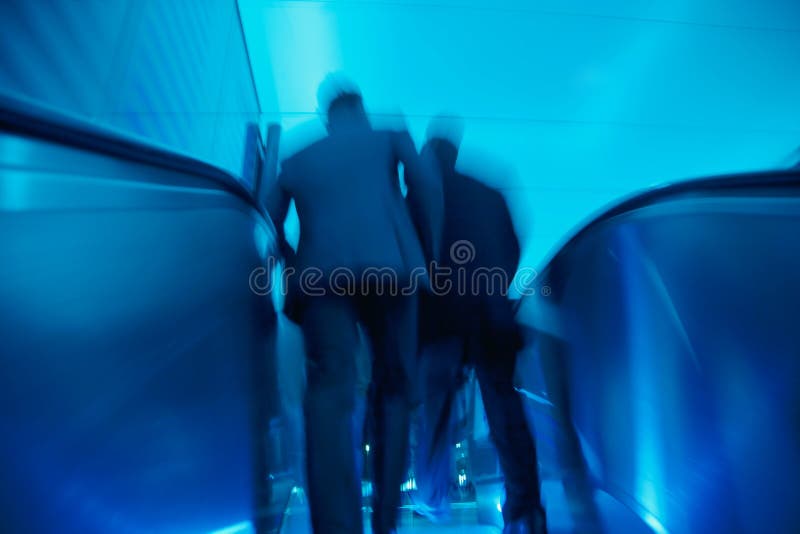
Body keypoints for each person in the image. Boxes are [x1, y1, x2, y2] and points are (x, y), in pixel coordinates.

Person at [266, 74, 441, 534]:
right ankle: (385, 523)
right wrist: (425, 252)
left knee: (329, 394)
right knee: (395, 391)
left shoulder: (297, 158)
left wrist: (293, 260)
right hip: (394, 270)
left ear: (328, 118)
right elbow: (426, 187)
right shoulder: (389, 138)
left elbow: (266, 218)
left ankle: (336, 527)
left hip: (321, 278)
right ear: (361, 110)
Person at [411, 116, 547, 534]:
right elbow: (514, 244)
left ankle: (433, 501)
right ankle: (525, 509)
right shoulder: (489, 190)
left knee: (434, 413)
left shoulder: (419, 195)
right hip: (490, 317)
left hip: (438, 318)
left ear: (429, 152)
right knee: (505, 413)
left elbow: (406, 256)